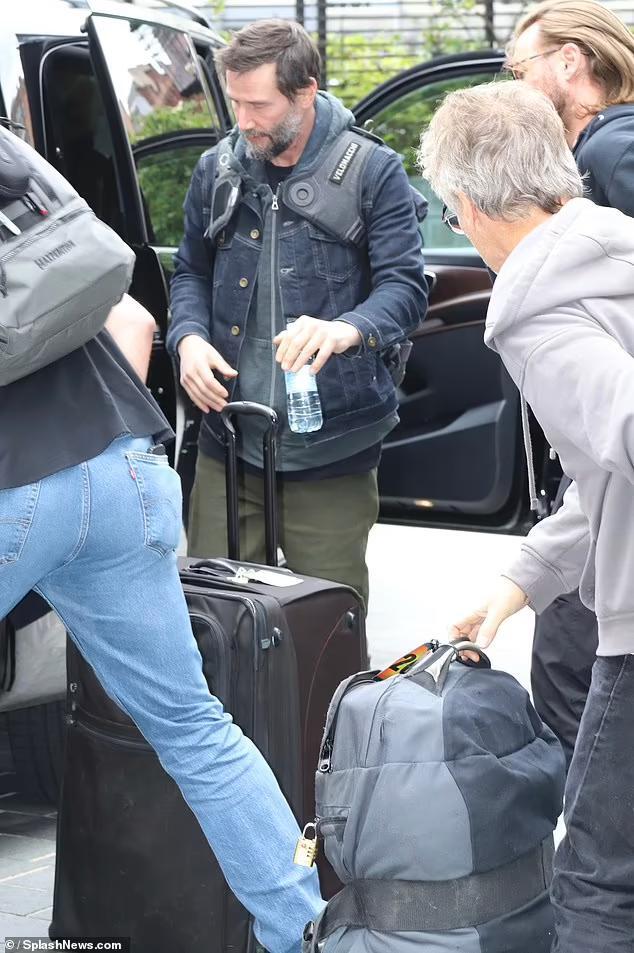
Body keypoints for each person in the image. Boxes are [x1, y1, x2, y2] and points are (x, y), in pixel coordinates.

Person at [0, 304, 323, 951]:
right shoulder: (33, 207)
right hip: (124, 465)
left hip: (14, 481)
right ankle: (307, 932)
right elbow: (137, 321)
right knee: (194, 726)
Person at [420, 79, 634, 952]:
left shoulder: (543, 315)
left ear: (468, 205)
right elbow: (611, 478)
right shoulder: (614, 252)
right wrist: (520, 583)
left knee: (595, 872)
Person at [167, 19, 428, 609]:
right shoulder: (216, 169)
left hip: (333, 447)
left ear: (305, 92)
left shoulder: (372, 170)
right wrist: (186, 339)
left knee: (326, 631)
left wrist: (347, 329)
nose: (244, 121)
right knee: (215, 623)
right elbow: (190, 274)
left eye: (257, 105)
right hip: (228, 441)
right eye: (235, 102)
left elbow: (405, 289)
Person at [504, 0, 634, 766]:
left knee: (567, 676)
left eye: (520, 70)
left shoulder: (613, 151)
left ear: (570, 63)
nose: (516, 91)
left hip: (612, 469)